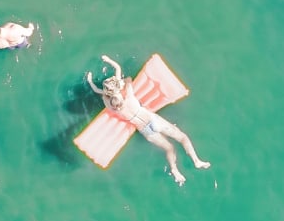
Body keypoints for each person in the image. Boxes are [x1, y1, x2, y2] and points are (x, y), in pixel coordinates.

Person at [88, 55, 211, 185]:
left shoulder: (109, 105)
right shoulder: (129, 96)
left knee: (169, 148)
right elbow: (123, 74)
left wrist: (90, 81)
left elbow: (97, 90)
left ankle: (175, 170)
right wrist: (113, 66)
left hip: (145, 131)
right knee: (182, 137)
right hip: (153, 120)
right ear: (117, 89)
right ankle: (197, 161)